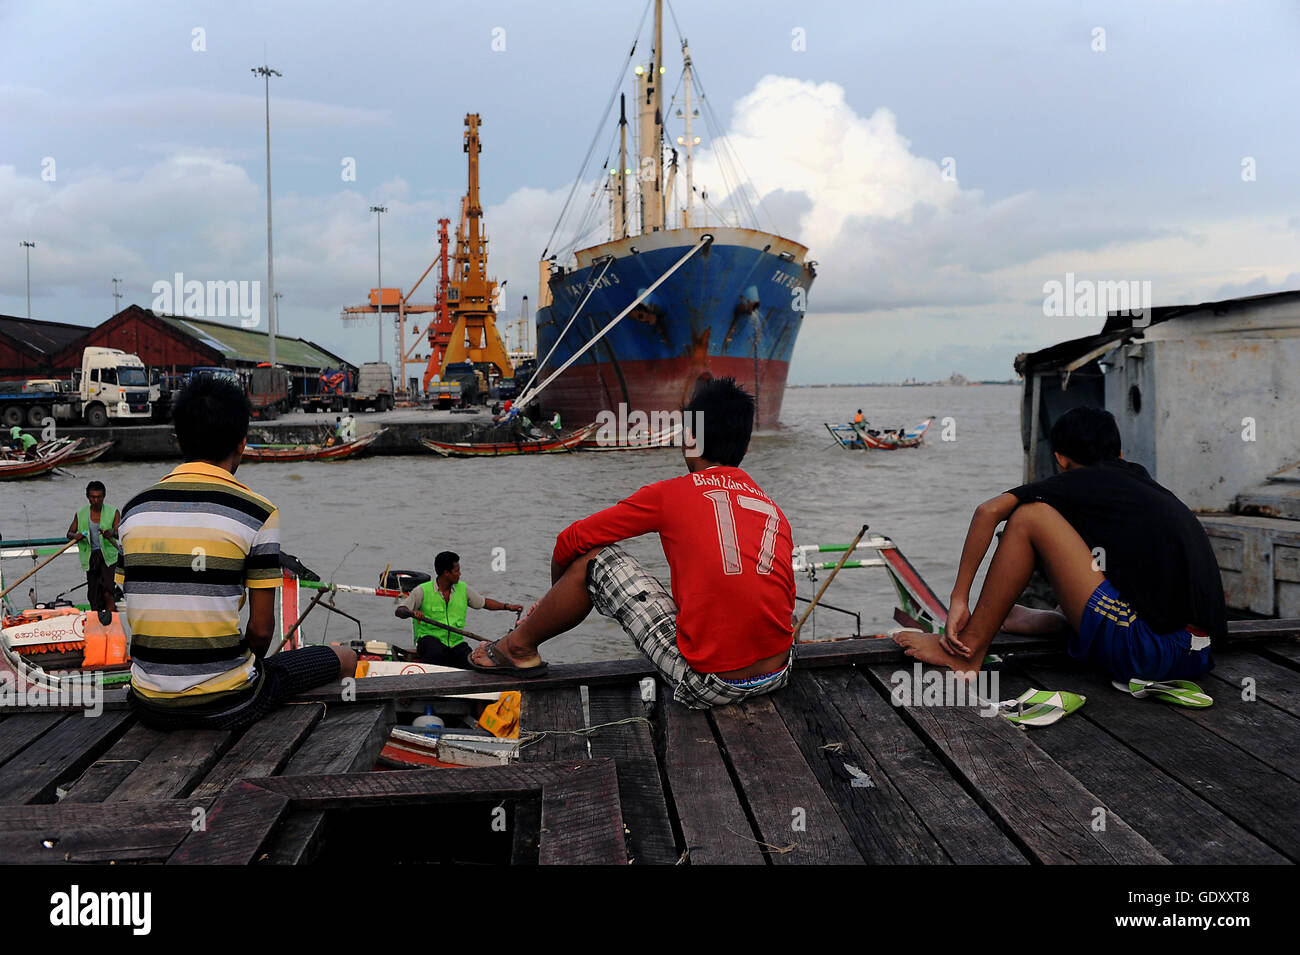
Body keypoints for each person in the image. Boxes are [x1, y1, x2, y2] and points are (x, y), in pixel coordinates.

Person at [467, 377, 796, 709]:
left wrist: (553, 600)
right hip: (779, 672)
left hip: (712, 684)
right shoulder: (771, 508)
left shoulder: (671, 494)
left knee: (595, 560)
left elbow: (570, 540)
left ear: (689, 438)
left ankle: (518, 647)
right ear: (746, 447)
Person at [893, 406, 1223, 685]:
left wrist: (959, 599)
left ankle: (966, 654)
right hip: (1197, 653)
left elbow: (987, 511)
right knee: (1101, 561)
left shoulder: (1077, 482)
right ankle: (1032, 620)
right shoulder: (1144, 486)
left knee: (1029, 515)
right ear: (1120, 452)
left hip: (1153, 654)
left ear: (1060, 459)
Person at [116, 377, 357, 730]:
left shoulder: (133, 510)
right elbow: (261, 630)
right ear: (242, 445)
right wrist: (241, 669)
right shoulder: (258, 512)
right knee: (346, 656)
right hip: (229, 702)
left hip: (149, 704)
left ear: (179, 440)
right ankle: (337, 748)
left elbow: (131, 609)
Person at [394, 552, 523, 668]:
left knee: (473, 663)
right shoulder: (422, 590)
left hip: (456, 643)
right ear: (446, 573)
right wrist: (412, 613)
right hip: (429, 641)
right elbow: (400, 611)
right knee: (436, 654)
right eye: (457, 571)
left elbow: (484, 603)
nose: (459, 574)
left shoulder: (462, 589)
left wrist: (507, 607)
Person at [66, 481, 121, 617]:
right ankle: (97, 620)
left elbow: (119, 532)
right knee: (94, 593)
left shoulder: (113, 512)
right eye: (93, 497)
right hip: (91, 557)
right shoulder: (81, 513)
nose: (96, 500)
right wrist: (76, 536)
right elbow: (69, 533)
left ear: (104, 497)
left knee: (108, 589)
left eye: (99, 497)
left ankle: (111, 620)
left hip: (109, 556)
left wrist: (111, 533)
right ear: (88, 497)